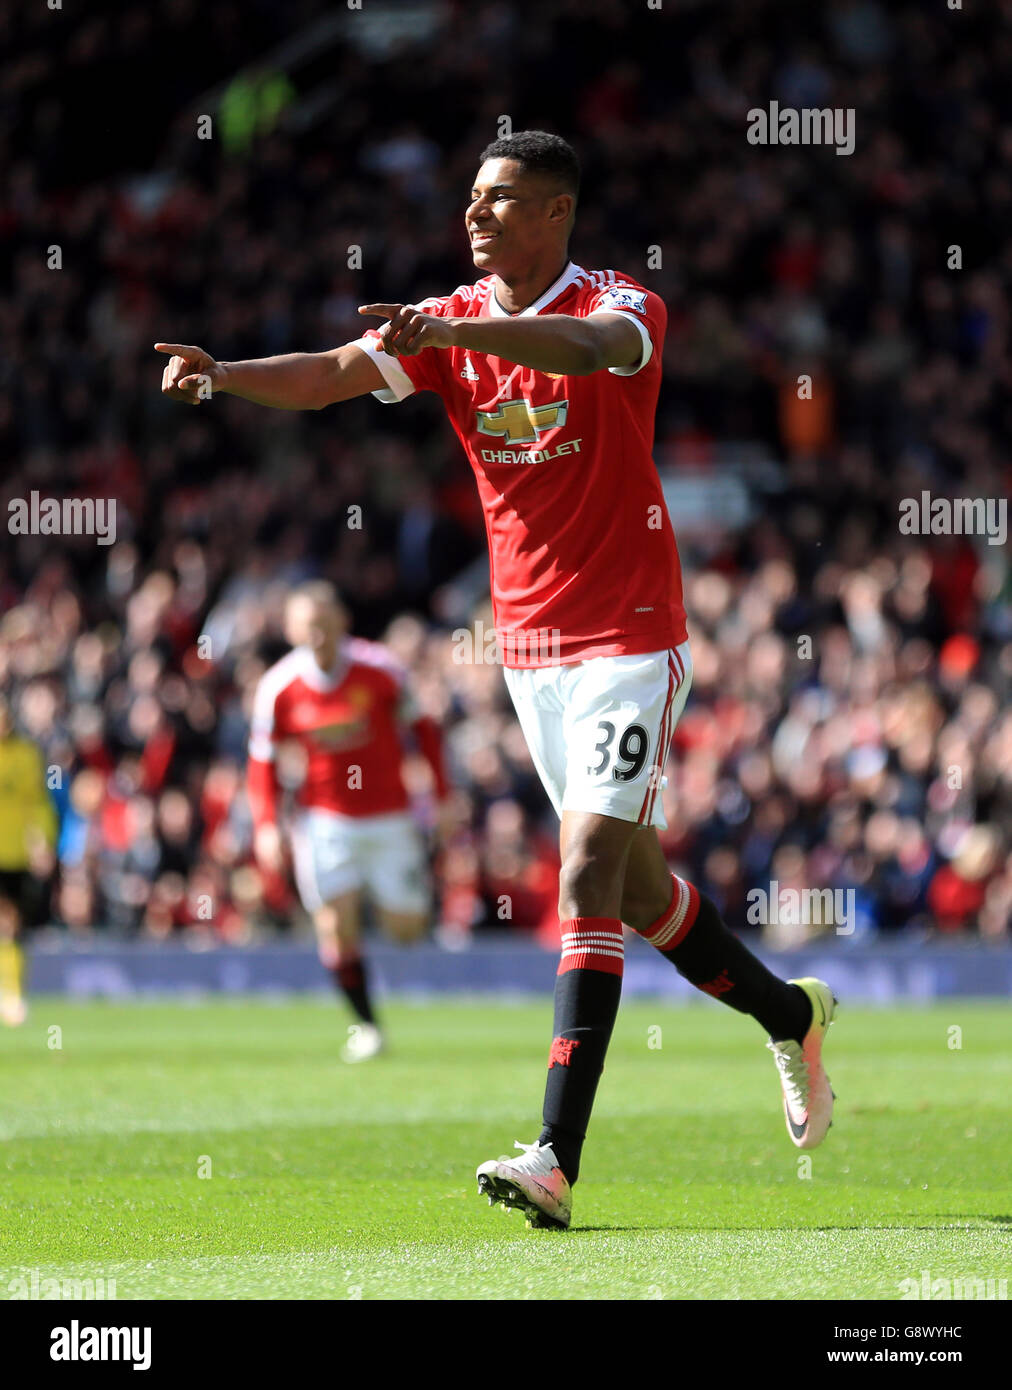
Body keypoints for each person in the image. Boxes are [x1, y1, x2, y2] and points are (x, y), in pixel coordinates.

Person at [157, 130, 837, 1226]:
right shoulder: (449, 320)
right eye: (469, 196)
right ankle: (786, 1014)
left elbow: (578, 349)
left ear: (556, 212)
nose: (473, 215)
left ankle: (554, 1159)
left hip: (628, 635)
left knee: (581, 875)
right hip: (527, 649)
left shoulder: (623, 305)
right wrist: (226, 375)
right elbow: (335, 375)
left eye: (498, 198)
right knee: (635, 891)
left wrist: (463, 325)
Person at [247, 582, 450, 1061]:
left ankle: (384, 901)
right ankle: (367, 1026)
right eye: (305, 625)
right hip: (325, 821)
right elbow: (263, 764)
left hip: (389, 818)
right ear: (292, 629)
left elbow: (424, 731)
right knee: (335, 925)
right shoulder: (279, 687)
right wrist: (266, 824)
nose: (315, 634)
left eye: (323, 622)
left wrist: (441, 797)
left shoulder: (381, 670)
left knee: (406, 929)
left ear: (342, 621)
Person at [0, 695, 58, 1026]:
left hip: (15, 851)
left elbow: (39, 801)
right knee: (6, 919)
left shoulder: (27, 755)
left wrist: (43, 842)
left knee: (12, 924)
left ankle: (13, 993)